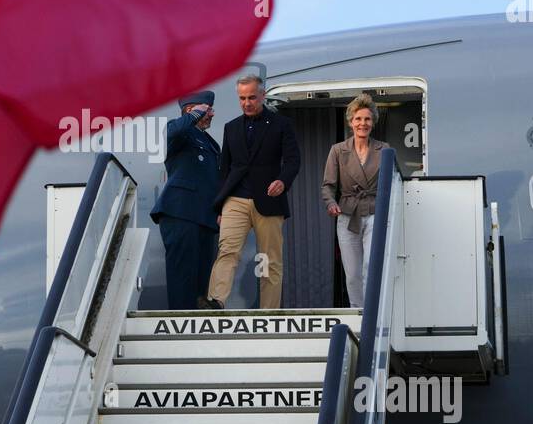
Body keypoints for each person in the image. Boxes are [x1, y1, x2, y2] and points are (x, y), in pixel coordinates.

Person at [205, 74, 300, 309]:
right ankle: (217, 301)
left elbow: (292, 161)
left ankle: (269, 312)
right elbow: (225, 169)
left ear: (262, 95)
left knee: (269, 260)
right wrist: (221, 205)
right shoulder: (231, 128)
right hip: (235, 199)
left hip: (269, 199)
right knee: (227, 250)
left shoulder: (282, 124)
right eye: (242, 98)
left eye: (252, 98)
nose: (247, 103)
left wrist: (283, 181)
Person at [150, 92, 221, 310]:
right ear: (192, 110)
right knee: (182, 273)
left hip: (205, 216)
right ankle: (179, 319)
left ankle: (197, 322)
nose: (212, 114)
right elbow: (175, 130)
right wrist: (195, 114)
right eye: (207, 110)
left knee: (203, 276)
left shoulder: (211, 143)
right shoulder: (180, 132)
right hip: (180, 212)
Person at [321, 93, 384, 308]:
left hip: (375, 212)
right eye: (358, 119)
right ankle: (359, 314)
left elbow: (392, 183)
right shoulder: (338, 151)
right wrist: (331, 203)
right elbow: (328, 185)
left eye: (367, 119)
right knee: (352, 273)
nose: (362, 124)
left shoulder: (384, 150)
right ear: (350, 122)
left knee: (370, 267)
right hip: (347, 216)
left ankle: (373, 313)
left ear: (373, 122)